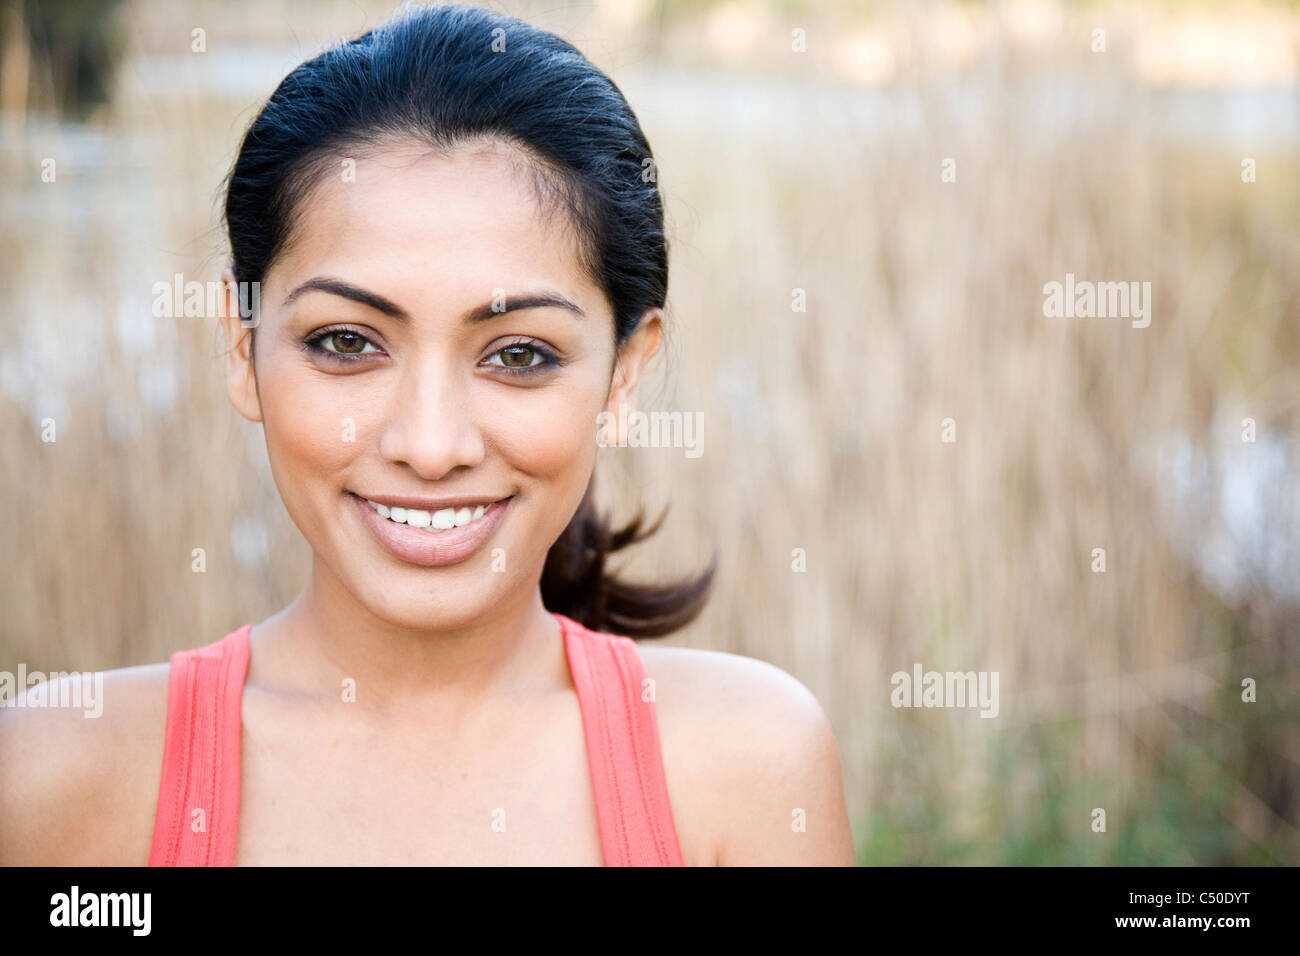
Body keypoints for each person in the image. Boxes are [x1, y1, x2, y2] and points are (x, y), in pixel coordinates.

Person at [0, 3, 854, 866]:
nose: (432, 444)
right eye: (347, 343)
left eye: (519, 354)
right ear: (239, 340)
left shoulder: (746, 768)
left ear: (625, 374)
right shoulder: (61, 773)